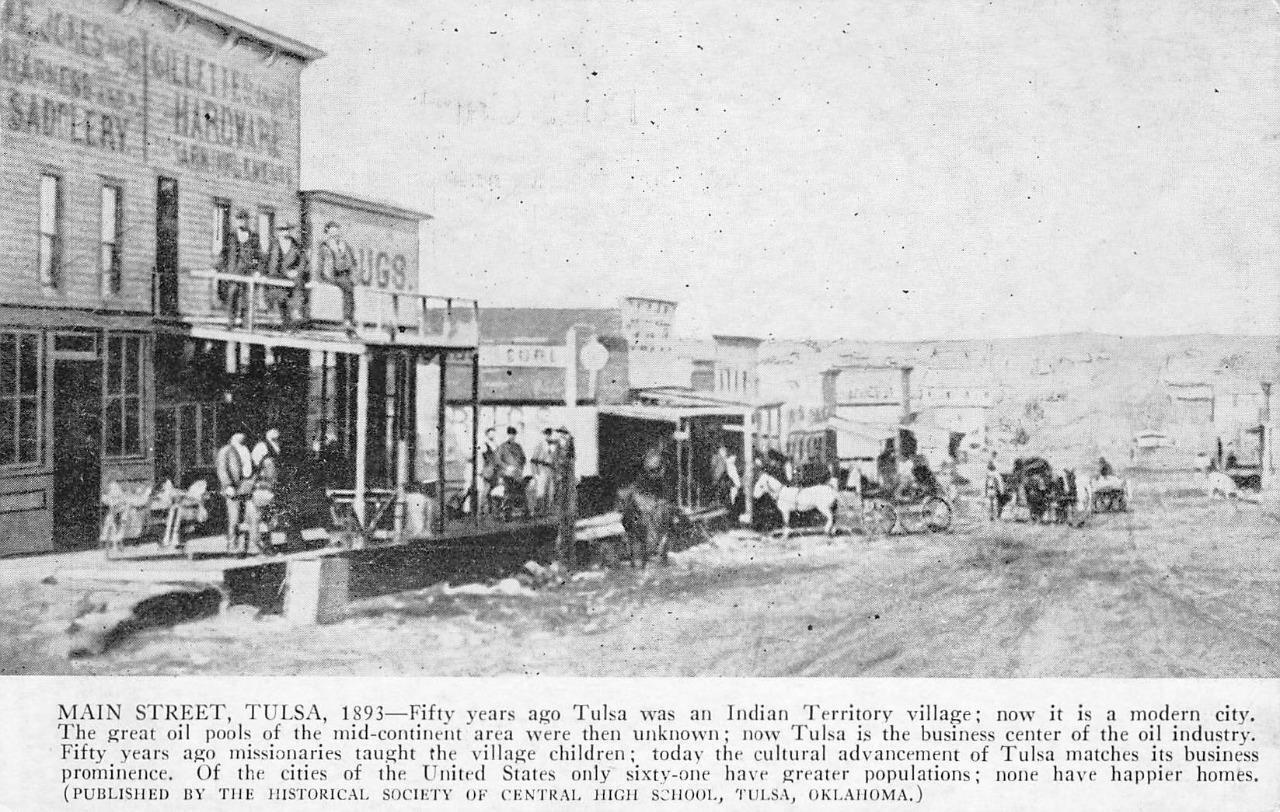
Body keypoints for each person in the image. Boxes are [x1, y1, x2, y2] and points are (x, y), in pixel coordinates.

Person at [215, 431, 260, 555]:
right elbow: (222, 470)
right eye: (237, 433)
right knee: (234, 518)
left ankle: (249, 545)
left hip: (247, 487)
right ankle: (232, 545)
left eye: (242, 433)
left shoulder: (246, 449)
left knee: (250, 517)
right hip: (233, 488)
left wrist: (253, 481)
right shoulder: (226, 450)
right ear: (232, 436)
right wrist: (227, 485)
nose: (241, 436)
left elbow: (253, 467)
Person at [220, 210, 261, 328]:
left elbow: (258, 256)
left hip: (247, 273)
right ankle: (231, 322)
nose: (241, 222)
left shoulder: (254, 238)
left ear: (247, 221)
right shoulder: (230, 237)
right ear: (236, 221)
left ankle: (246, 323)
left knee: (247, 299)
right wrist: (217, 268)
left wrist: (257, 270)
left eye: (244, 219)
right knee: (232, 296)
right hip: (233, 273)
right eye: (239, 219)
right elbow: (223, 255)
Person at [264, 223, 310, 328]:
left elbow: (303, 262)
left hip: (292, 277)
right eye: (281, 230)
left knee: (297, 288)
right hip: (276, 276)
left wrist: (296, 271)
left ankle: (296, 313)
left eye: (286, 230)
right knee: (281, 297)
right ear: (278, 232)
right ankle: (286, 323)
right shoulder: (273, 245)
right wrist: (262, 273)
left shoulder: (296, 246)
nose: (284, 232)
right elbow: (266, 262)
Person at [316, 220, 358, 335]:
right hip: (331, 275)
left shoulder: (344, 245)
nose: (334, 233)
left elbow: (351, 261)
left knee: (350, 286)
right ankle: (348, 319)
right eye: (332, 231)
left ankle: (349, 319)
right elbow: (320, 263)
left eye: (336, 231)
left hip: (344, 274)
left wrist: (353, 275)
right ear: (328, 232)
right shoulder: (324, 245)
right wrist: (320, 278)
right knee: (348, 288)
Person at [551, 426, 577, 572]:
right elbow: (556, 462)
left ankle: (568, 560)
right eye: (561, 434)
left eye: (564, 434)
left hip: (567, 479)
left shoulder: (569, 445)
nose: (562, 436)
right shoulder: (558, 447)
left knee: (568, 516)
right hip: (561, 478)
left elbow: (571, 460)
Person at [496, 426, 529, 519]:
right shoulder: (502, 447)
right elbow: (498, 460)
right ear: (507, 435)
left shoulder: (518, 447)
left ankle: (524, 512)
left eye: (514, 435)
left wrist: (520, 467)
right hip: (507, 474)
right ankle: (506, 513)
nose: (512, 437)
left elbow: (523, 459)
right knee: (508, 492)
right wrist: (507, 467)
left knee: (521, 491)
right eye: (510, 435)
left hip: (517, 474)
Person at [530, 427, 556, 513]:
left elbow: (555, 459)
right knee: (541, 491)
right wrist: (535, 473)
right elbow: (533, 460)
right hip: (542, 469)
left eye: (549, 434)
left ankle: (548, 510)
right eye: (546, 434)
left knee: (551, 490)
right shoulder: (540, 445)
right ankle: (539, 510)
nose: (548, 436)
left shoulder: (554, 445)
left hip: (551, 470)